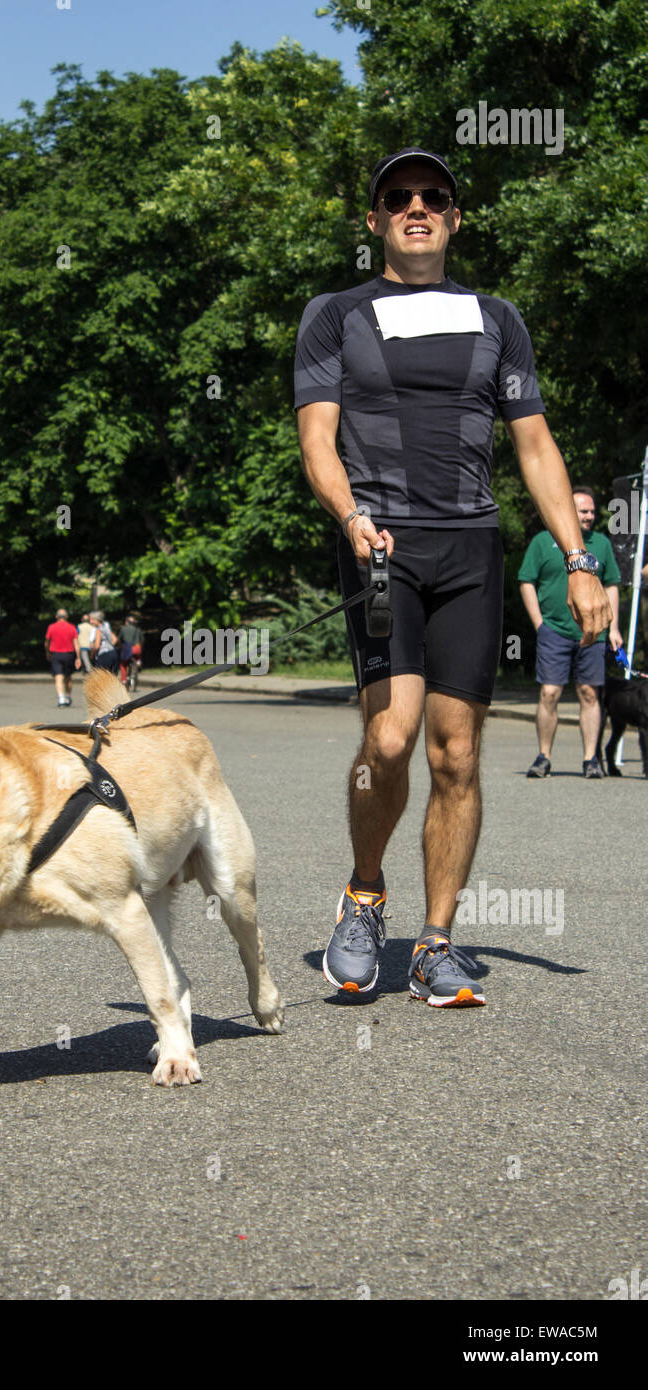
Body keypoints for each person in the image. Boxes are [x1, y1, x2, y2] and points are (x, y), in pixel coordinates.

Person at [294, 147, 611, 1008]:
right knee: (390, 741)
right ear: (376, 222)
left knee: (459, 754)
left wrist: (578, 560)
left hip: (470, 545)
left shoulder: (497, 317)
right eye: (399, 198)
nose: (417, 206)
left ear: (456, 218)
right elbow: (318, 440)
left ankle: (435, 944)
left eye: (434, 196)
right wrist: (350, 515)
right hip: (381, 546)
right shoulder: (335, 314)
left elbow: (534, 444)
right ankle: (364, 897)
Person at [519, 486, 622, 777]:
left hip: (593, 632)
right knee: (549, 692)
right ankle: (543, 757)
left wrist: (612, 627)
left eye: (591, 511)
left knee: (589, 693)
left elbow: (612, 584)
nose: (589, 516)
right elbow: (526, 580)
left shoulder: (601, 544)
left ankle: (591, 760)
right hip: (554, 630)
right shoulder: (543, 541)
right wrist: (539, 623)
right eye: (583, 511)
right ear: (569, 511)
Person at [43, 608, 80, 707]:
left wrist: (47, 652)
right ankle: (67, 696)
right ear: (67, 617)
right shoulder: (72, 627)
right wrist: (78, 657)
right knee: (68, 677)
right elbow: (76, 644)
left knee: (58, 677)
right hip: (69, 654)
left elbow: (47, 642)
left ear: (56, 617)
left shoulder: (51, 627)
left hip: (56, 654)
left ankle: (61, 698)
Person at [117, 611, 143, 688]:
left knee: (123, 664)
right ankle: (138, 662)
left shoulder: (123, 629)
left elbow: (119, 640)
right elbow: (142, 640)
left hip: (127, 650)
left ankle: (124, 680)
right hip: (137, 649)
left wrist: (120, 646)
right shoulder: (137, 629)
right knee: (137, 654)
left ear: (127, 622)